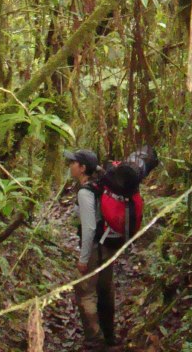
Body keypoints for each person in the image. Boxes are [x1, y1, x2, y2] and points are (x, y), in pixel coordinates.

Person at [64, 148, 120, 350]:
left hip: (96, 247)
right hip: (108, 245)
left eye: (73, 163)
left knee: (85, 292)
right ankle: (109, 336)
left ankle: (93, 341)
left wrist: (83, 259)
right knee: (105, 290)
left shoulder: (86, 192)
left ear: (82, 168)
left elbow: (88, 228)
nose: (70, 166)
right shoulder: (102, 184)